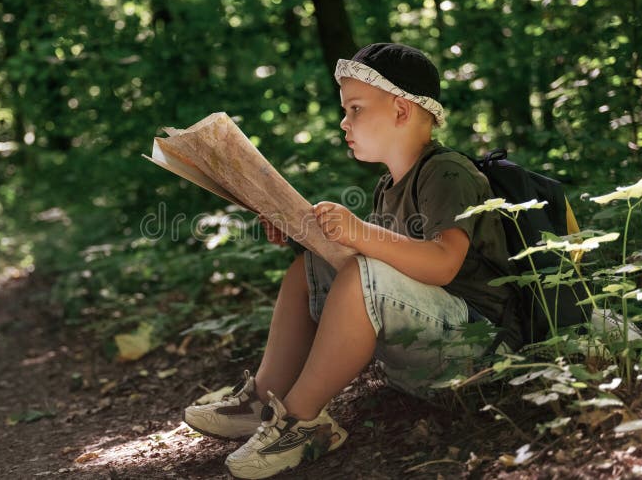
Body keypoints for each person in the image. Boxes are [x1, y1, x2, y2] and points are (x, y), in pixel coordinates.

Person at [182, 42, 521, 479]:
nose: (345, 122)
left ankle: (303, 424)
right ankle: (264, 399)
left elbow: (442, 265)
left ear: (401, 111)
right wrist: (303, 234)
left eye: (356, 109)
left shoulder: (447, 172)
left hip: (480, 350)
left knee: (364, 272)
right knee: (310, 269)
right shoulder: (390, 185)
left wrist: (359, 231)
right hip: (433, 337)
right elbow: (392, 263)